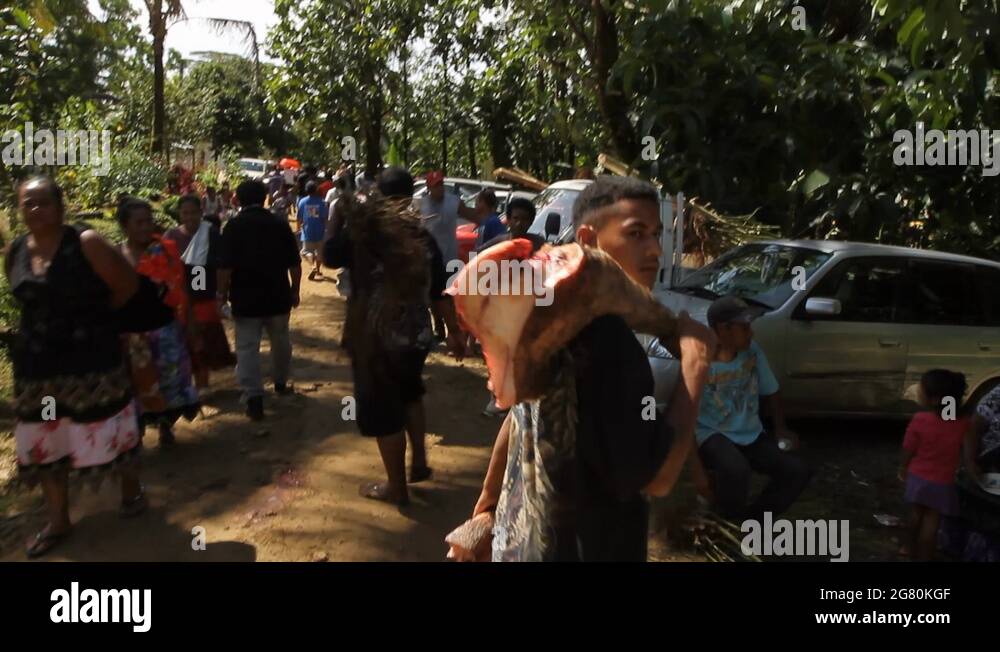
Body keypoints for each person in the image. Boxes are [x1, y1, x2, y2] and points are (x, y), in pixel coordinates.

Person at [451, 175, 715, 561]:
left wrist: (486, 508)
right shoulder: (612, 348)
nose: (655, 250)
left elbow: (518, 414)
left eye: (657, 234)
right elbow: (658, 479)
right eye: (636, 233)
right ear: (588, 240)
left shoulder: (555, 325)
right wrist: (696, 363)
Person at [7, 177, 145, 557]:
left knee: (108, 426)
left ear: (60, 206)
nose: (35, 210)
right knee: (47, 435)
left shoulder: (86, 243)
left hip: (93, 364)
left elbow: (127, 284)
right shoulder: (16, 250)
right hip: (39, 371)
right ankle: (58, 519)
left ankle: (131, 491)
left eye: (43, 202)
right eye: (27, 203)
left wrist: (93, 322)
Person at [324, 167, 464, 506]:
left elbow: (328, 256)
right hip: (415, 336)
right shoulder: (422, 236)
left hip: (374, 338)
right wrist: (455, 333)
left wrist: (337, 216)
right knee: (410, 393)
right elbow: (439, 293)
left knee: (383, 410)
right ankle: (418, 461)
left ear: (379, 197)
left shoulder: (363, 232)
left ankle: (396, 488)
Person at [689, 295, 810, 523]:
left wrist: (781, 429)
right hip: (712, 434)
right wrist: (698, 474)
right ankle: (726, 524)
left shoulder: (752, 351)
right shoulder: (699, 362)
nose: (751, 332)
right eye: (744, 327)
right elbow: (684, 420)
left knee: (797, 471)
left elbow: (771, 390)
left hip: (751, 433)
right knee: (736, 470)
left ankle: (752, 523)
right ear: (722, 330)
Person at [117, 198, 201, 446]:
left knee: (169, 382)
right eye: (138, 222)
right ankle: (137, 433)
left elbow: (182, 287)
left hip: (165, 329)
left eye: (149, 221)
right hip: (131, 333)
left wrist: (192, 322)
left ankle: (166, 426)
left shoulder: (165, 250)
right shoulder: (116, 256)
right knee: (136, 385)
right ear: (125, 226)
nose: (145, 227)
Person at [217, 180, 302, 421]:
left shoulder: (233, 227)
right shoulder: (279, 224)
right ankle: (280, 382)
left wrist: (221, 295)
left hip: (245, 299)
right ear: (265, 197)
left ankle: (254, 396)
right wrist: (295, 291)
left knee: (246, 348)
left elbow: (224, 268)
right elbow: (295, 264)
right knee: (281, 341)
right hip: (277, 296)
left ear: (238, 199)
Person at [164, 194, 236, 389]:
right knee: (183, 347)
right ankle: (187, 389)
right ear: (179, 214)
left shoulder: (210, 233)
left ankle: (202, 388)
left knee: (202, 347)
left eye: (194, 213)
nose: (189, 217)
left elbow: (221, 265)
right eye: (185, 213)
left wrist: (221, 294)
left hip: (203, 298)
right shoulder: (171, 236)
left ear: (201, 213)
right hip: (179, 301)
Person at [898, 369, 969, 561]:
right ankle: (926, 555)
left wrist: (903, 467)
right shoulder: (963, 424)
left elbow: (908, 448)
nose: (918, 391)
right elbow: (966, 454)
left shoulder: (920, 420)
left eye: (921, 389)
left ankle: (907, 547)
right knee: (931, 522)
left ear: (935, 399)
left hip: (918, 478)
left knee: (914, 514)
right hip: (943, 482)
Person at [419, 170, 477, 339]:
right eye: (436, 185)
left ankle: (453, 328)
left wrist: (484, 216)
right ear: (429, 187)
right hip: (429, 257)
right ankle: (438, 327)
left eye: (441, 184)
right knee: (432, 296)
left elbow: (470, 215)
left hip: (450, 258)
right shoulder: (422, 205)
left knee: (450, 295)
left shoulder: (453, 202)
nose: (440, 188)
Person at [297, 180, 328, 281]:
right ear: (316, 190)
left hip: (307, 230)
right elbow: (325, 218)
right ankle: (318, 270)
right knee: (319, 252)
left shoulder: (302, 201)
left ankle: (312, 266)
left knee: (305, 251)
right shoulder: (322, 203)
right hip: (320, 230)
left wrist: (298, 228)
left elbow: (299, 218)